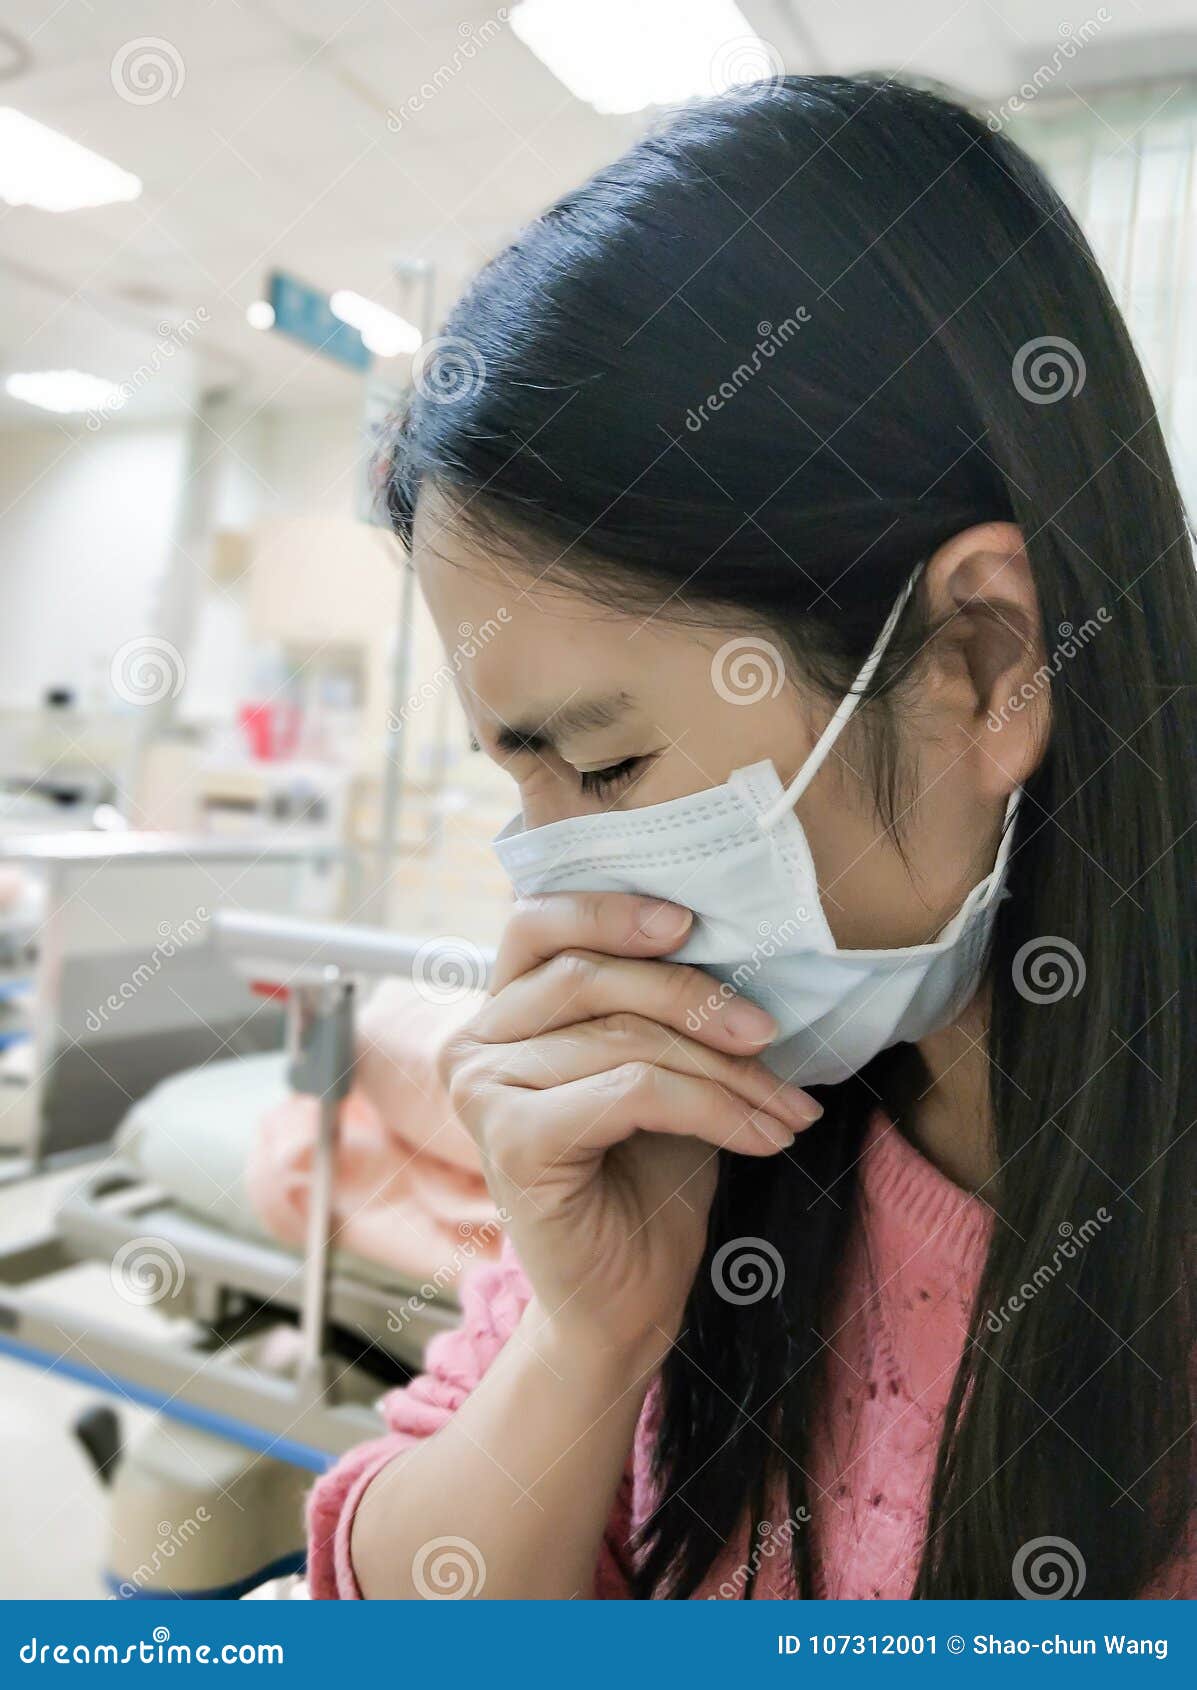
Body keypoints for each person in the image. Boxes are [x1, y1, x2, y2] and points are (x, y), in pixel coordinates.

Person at [309, 75, 1195, 1600]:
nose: (555, 884)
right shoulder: (700, 1122)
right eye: (520, 781)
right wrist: (587, 1342)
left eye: (605, 763)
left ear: (982, 663)